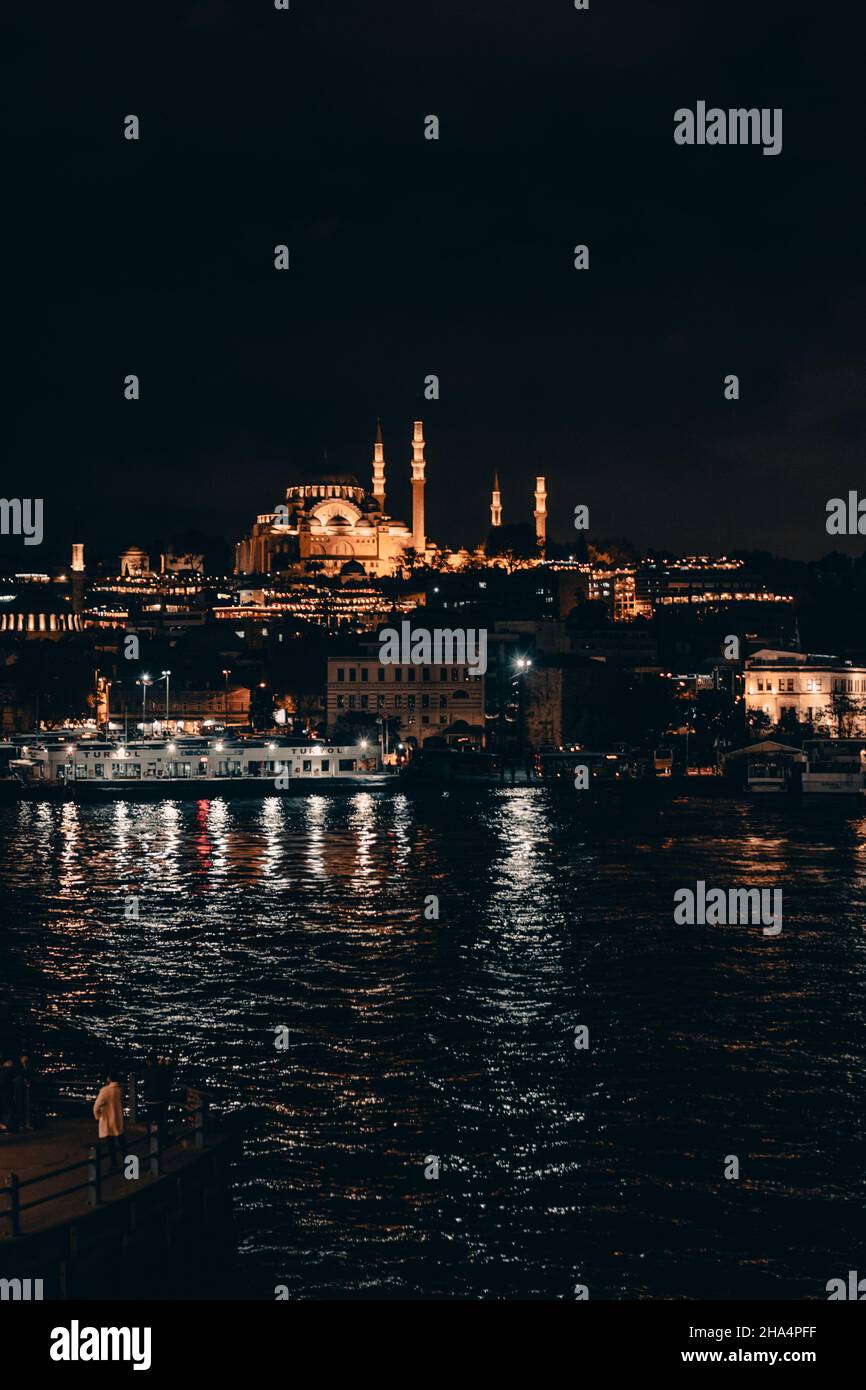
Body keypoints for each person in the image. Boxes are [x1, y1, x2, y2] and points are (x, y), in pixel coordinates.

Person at [93, 1071, 125, 1170]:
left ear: (109, 1079)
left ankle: (114, 1164)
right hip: (118, 1119)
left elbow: (96, 1106)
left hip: (108, 1120)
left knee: (111, 1144)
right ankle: (128, 1164)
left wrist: (98, 1116)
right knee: (122, 1142)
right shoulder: (120, 1090)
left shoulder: (105, 1091)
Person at [0, 1058, 15, 1134]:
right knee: (8, 1110)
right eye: (9, 1062)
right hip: (6, 1094)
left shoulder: (3, 1070)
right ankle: (4, 1126)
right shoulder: (9, 1071)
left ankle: (4, 1126)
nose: (11, 1063)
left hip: (4, 1093)